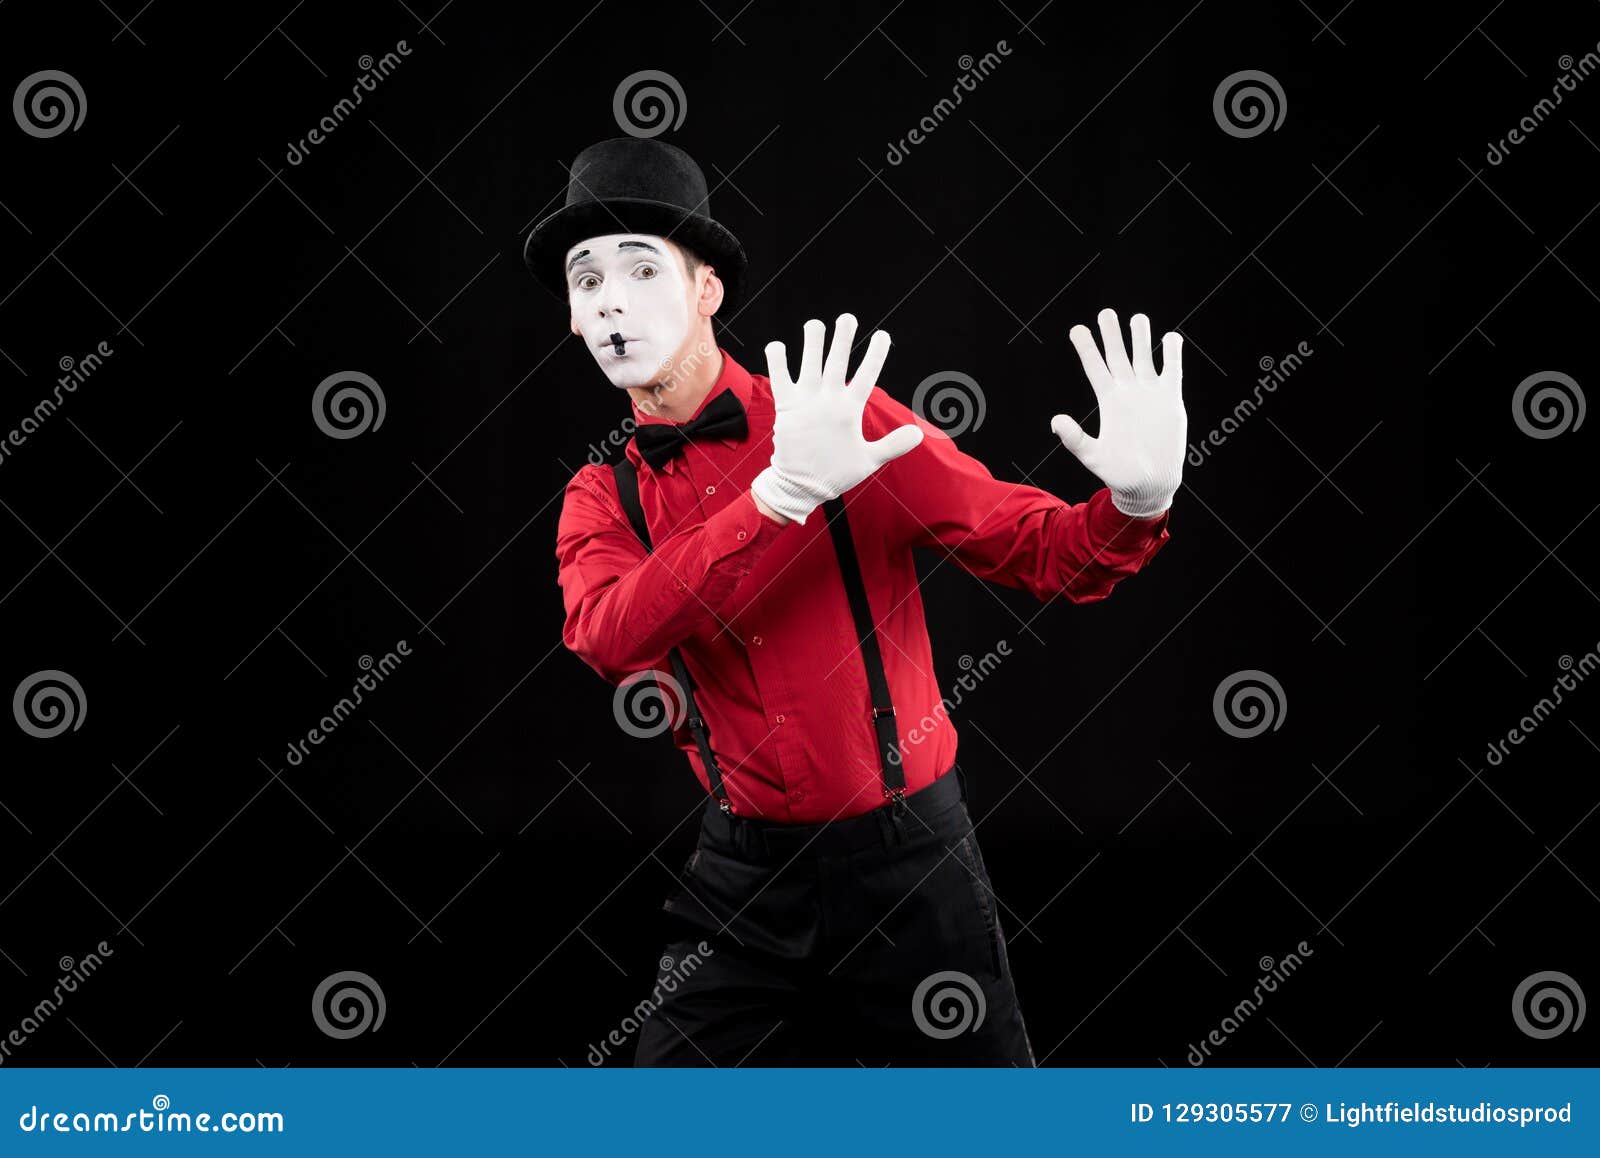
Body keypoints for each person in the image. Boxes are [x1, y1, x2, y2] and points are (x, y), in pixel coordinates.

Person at [532, 137, 1186, 1065]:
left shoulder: (844, 422)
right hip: (742, 874)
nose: (611, 302)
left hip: (911, 861)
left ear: (707, 290)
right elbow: (606, 634)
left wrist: (1135, 504)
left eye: (642, 270)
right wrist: (775, 502)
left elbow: (1040, 553)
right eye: (585, 279)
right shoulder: (602, 499)